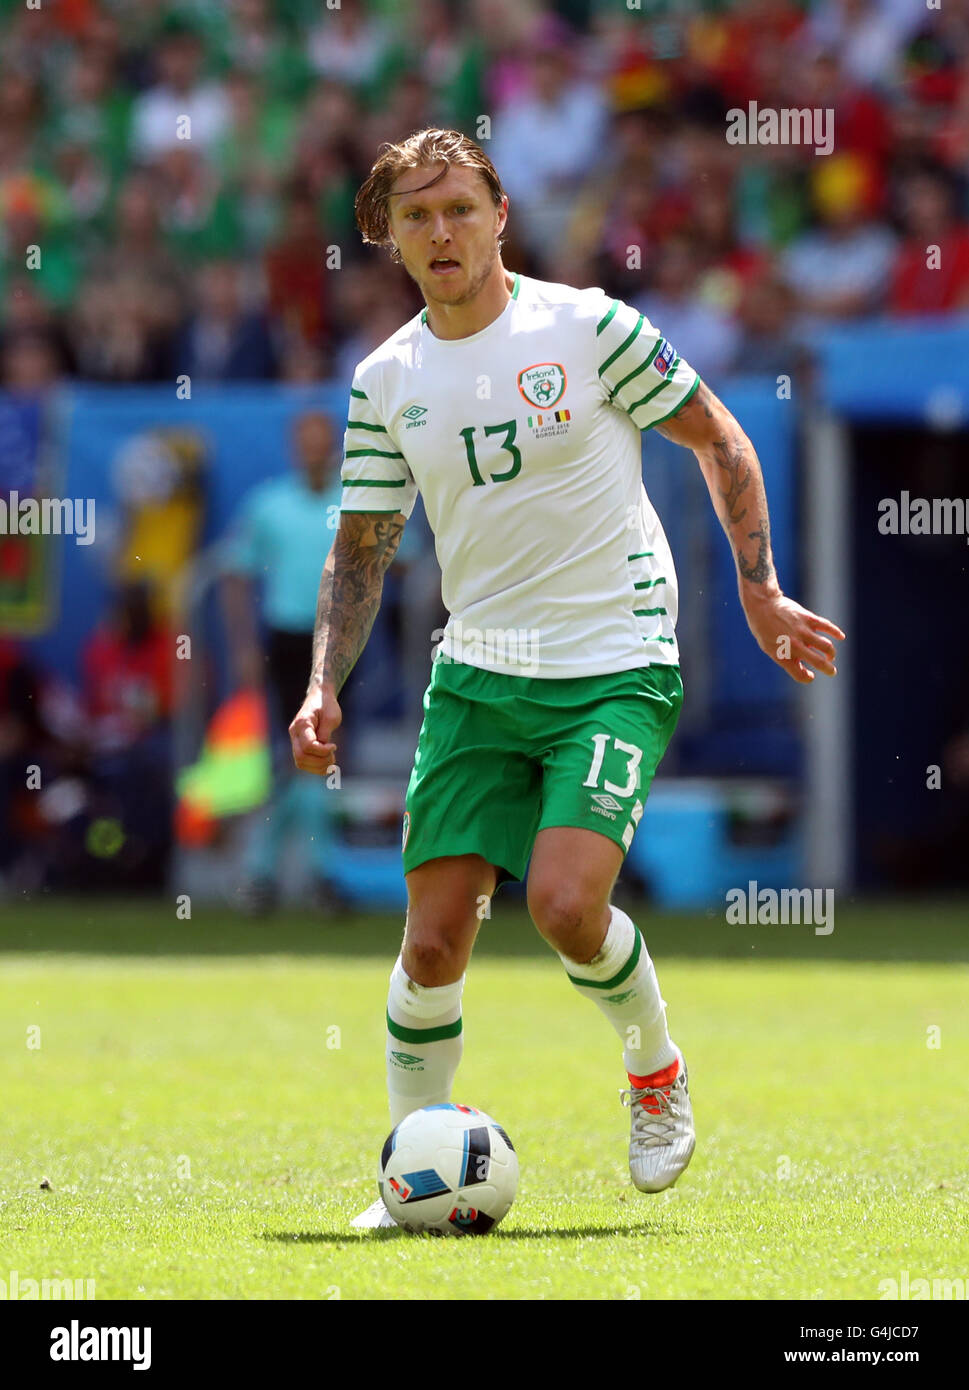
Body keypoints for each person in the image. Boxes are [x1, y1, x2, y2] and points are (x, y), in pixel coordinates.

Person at [288, 129, 845, 1228]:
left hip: (615, 657)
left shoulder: (586, 327)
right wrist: (323, 684)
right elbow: (360, 550)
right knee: (434, 938)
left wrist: (761, 588)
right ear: (389, 240)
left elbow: (719, 437)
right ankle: (409, 1170)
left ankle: (653, 1068)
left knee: (561, 902)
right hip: (480, 671)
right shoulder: (385, 379)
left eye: (458, 208)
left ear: (500, 213)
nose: (440, 232)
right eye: (415, 217)